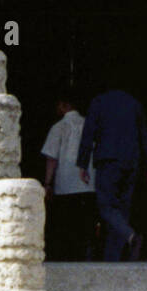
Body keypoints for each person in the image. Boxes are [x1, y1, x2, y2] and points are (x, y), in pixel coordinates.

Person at [77, 81, 147, 261]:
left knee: (105, 206)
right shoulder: (134, 103)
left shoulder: (98, 102)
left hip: (108, 161)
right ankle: (112, 258)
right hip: (131, 162)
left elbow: (88, 133)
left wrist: (83, 163)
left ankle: (131, 237)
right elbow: (145, 136)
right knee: (122, 210)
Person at [41, 85, 96, 260]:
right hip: (88, 184)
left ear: (64, 106)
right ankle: (85, 256)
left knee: (67, 226)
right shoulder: (90, 125)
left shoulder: (59, 127)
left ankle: (69, 257)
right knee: (86, 225)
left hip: (65, 185)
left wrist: (47, 183)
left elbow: (51, 158)